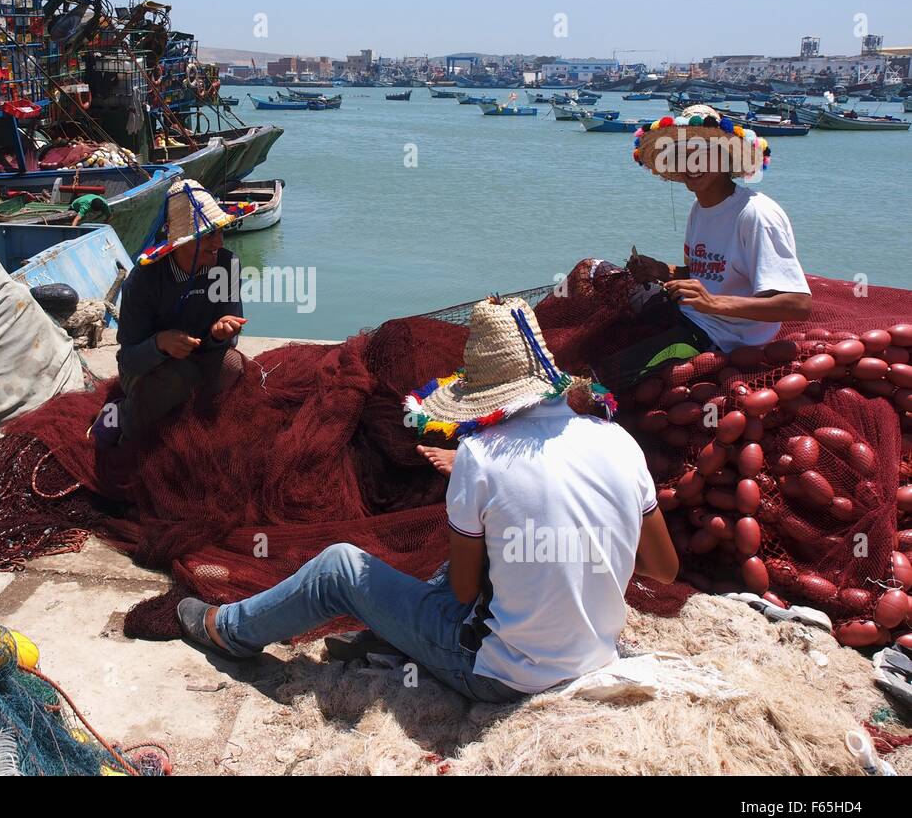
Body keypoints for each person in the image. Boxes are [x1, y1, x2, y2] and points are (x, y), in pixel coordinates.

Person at [176, 296, 679, 703]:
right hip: (594, 652)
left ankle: (230, 631)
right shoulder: (617, 440)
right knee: (464, 560)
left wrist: (472, 485)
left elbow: (462, 592)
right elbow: (662, 570)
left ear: (483, 399)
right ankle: (390, 634)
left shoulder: (480, 456)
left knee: (339, 569)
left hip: (500, 675)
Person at [610, 104, 811, 385]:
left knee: (613, 373)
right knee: (601, 279)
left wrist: (713, 303)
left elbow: (796, 305)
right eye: (682, 154)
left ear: (725, 157)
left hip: (720, 337)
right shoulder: (699, 208)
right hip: (686, 315)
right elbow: (705, 276)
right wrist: (662, 270)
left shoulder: (756, 214)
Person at [94, 179, 253, 447]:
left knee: (234, 367)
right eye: (208, 235)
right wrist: (159, 345)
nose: (219, 241)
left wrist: (220, 333)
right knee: (178, 378)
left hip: (202, 359)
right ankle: (125, 417)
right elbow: (129, 359)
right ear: (180, 243)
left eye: (221, 231)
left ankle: (185, 418)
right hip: (152, 369)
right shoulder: (144, 279)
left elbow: (229, 340)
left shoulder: (227, 265)